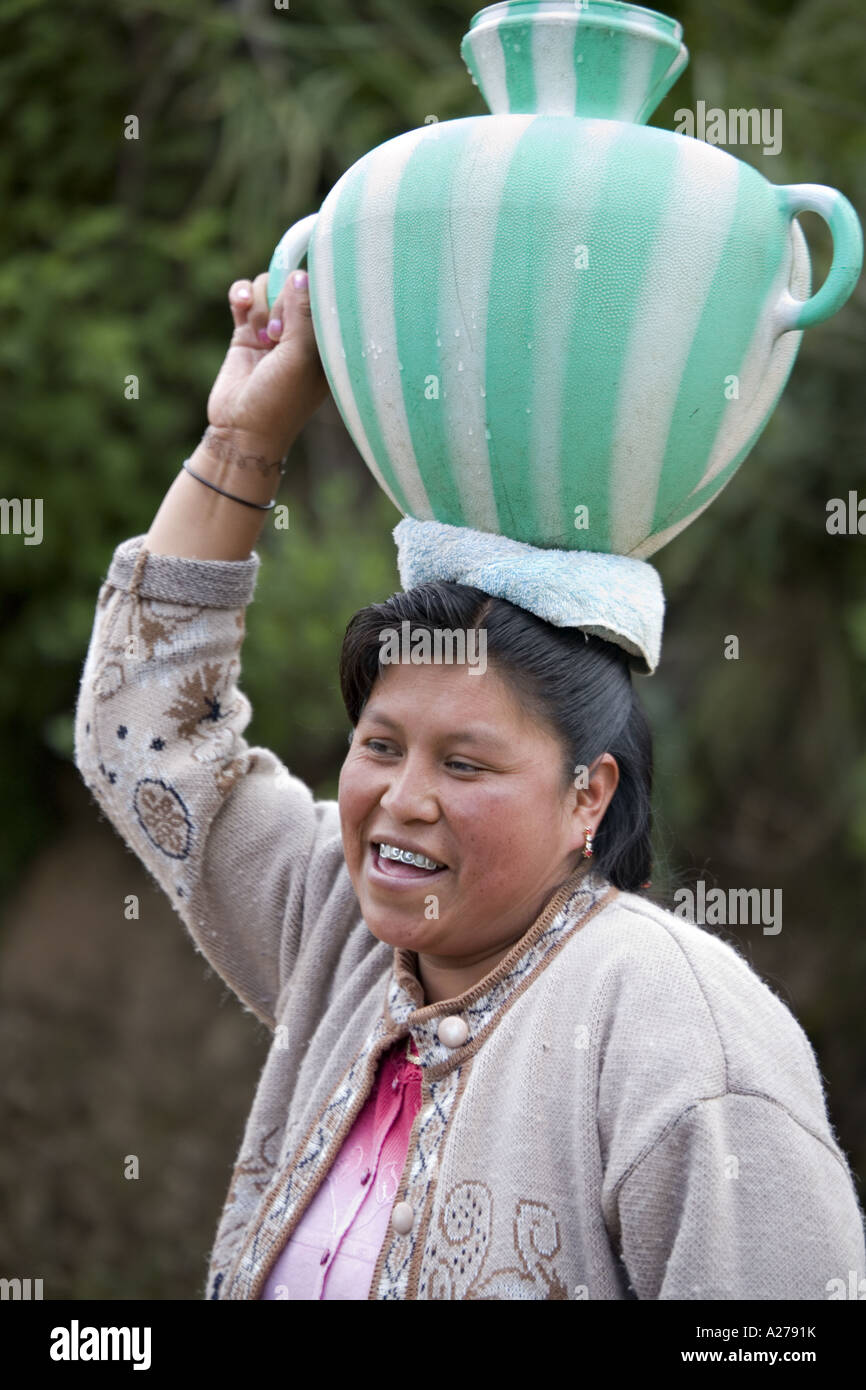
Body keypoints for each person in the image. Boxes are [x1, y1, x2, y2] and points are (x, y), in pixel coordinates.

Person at [73, 268, 866, 1301]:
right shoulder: (342, 932)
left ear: (588, 794)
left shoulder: (676, 1023)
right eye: (379, 744)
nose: (402, 798)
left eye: (463, 763)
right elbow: (143, 736)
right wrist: (241, 439)